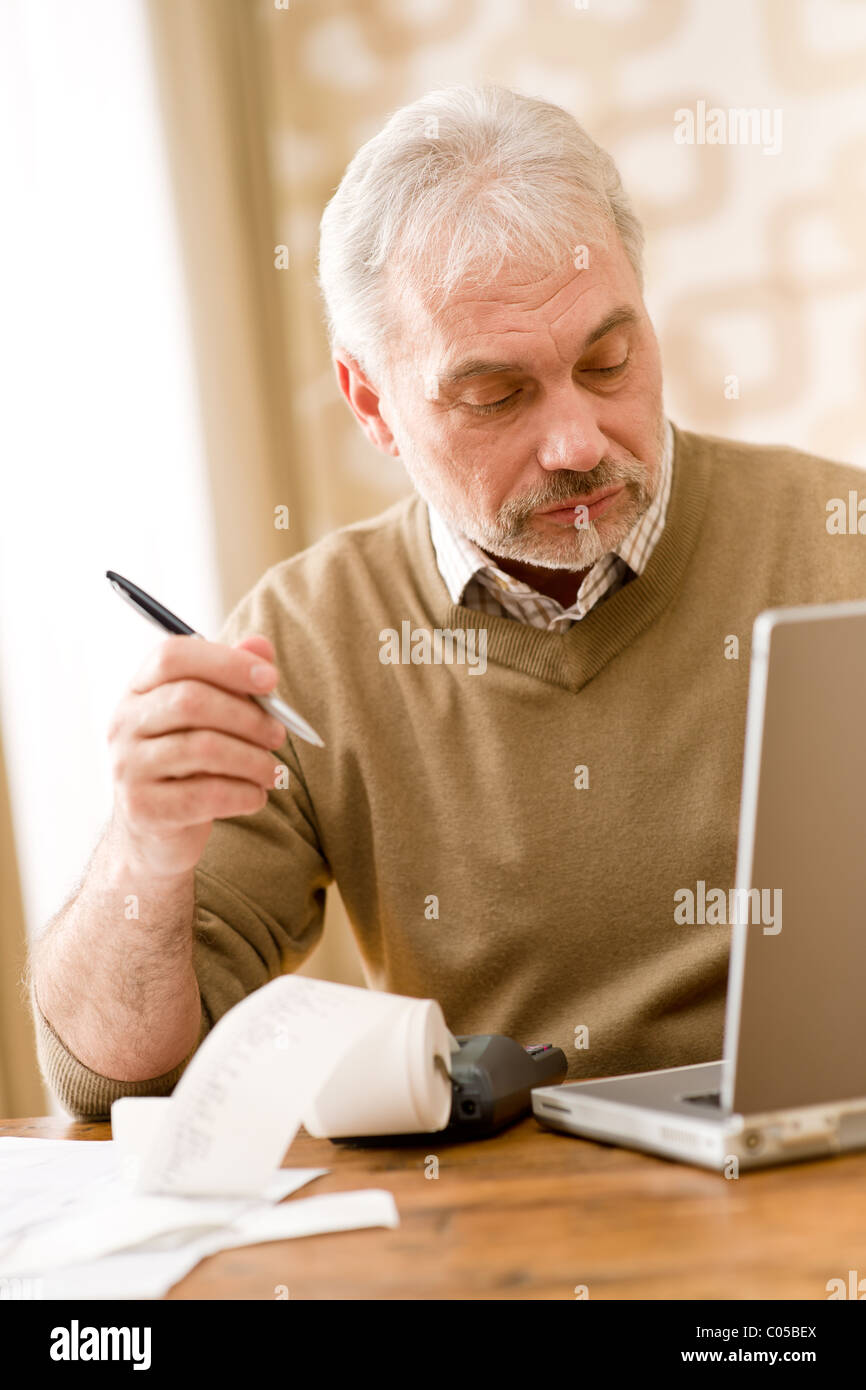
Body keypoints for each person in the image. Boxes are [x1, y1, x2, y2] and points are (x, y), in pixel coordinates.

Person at [29, 85, 866, 1120]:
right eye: (494, 396)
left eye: (606, 361)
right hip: (505, 1236)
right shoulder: (306, 639)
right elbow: (116, 1084)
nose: (575, 443)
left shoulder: (843, 541)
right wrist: (142, 857)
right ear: (371, 403)